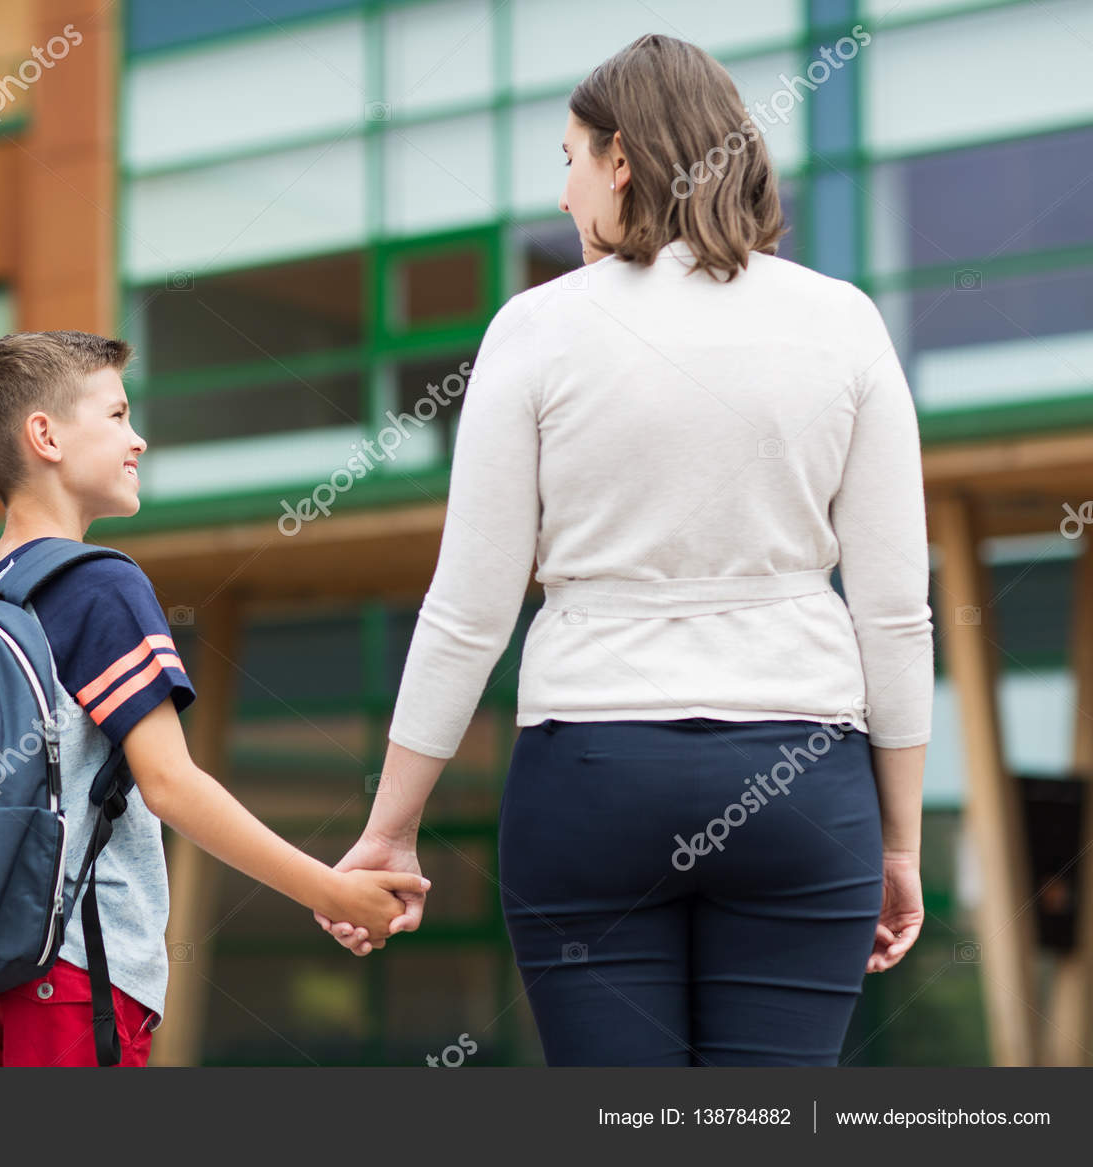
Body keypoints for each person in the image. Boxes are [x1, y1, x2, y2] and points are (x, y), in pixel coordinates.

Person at [315, 33, 932, 1067]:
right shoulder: (844, 322)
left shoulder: (534, 329)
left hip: (592, 773)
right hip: (800, 777)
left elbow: (469, 609)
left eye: (567, 159)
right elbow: (893, 610)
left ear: (622, 163)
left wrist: (390, 826)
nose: (561, 198)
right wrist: (900, 841)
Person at [0, 330, 427, 1067]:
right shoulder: (96, 584)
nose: (140, 439)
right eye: (118, 415)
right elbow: (171, 785)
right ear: (45, 435)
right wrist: (332, 891)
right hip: (68, 966)